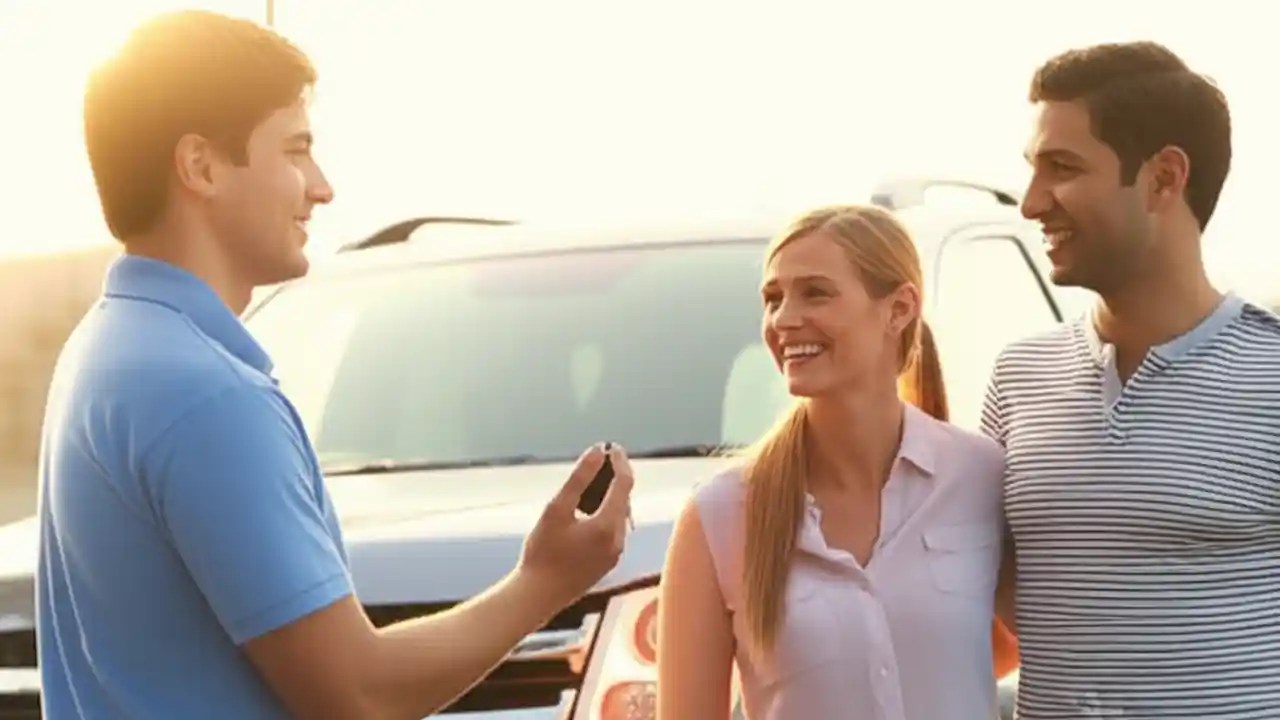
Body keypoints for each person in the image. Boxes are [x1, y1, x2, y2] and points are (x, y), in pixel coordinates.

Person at [35, 10, 634, 720]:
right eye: (294, 150)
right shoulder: (203, 392)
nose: (321, 187)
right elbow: (359, 694)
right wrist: (546, 581)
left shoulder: (107, 349)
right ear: (200, 166)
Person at [985, 41, 1280, 718]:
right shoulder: (1018, 379)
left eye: (1061, 168)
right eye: (1032, 170)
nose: (1030, 204)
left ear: (1163, 178)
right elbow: (985, 603)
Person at [656, 204, 1015, 720]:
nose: (783, 319)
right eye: (773, 298)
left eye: (815, 292)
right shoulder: (721, 514)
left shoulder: (981, 476)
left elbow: (1037, 647)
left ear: (899, 309)